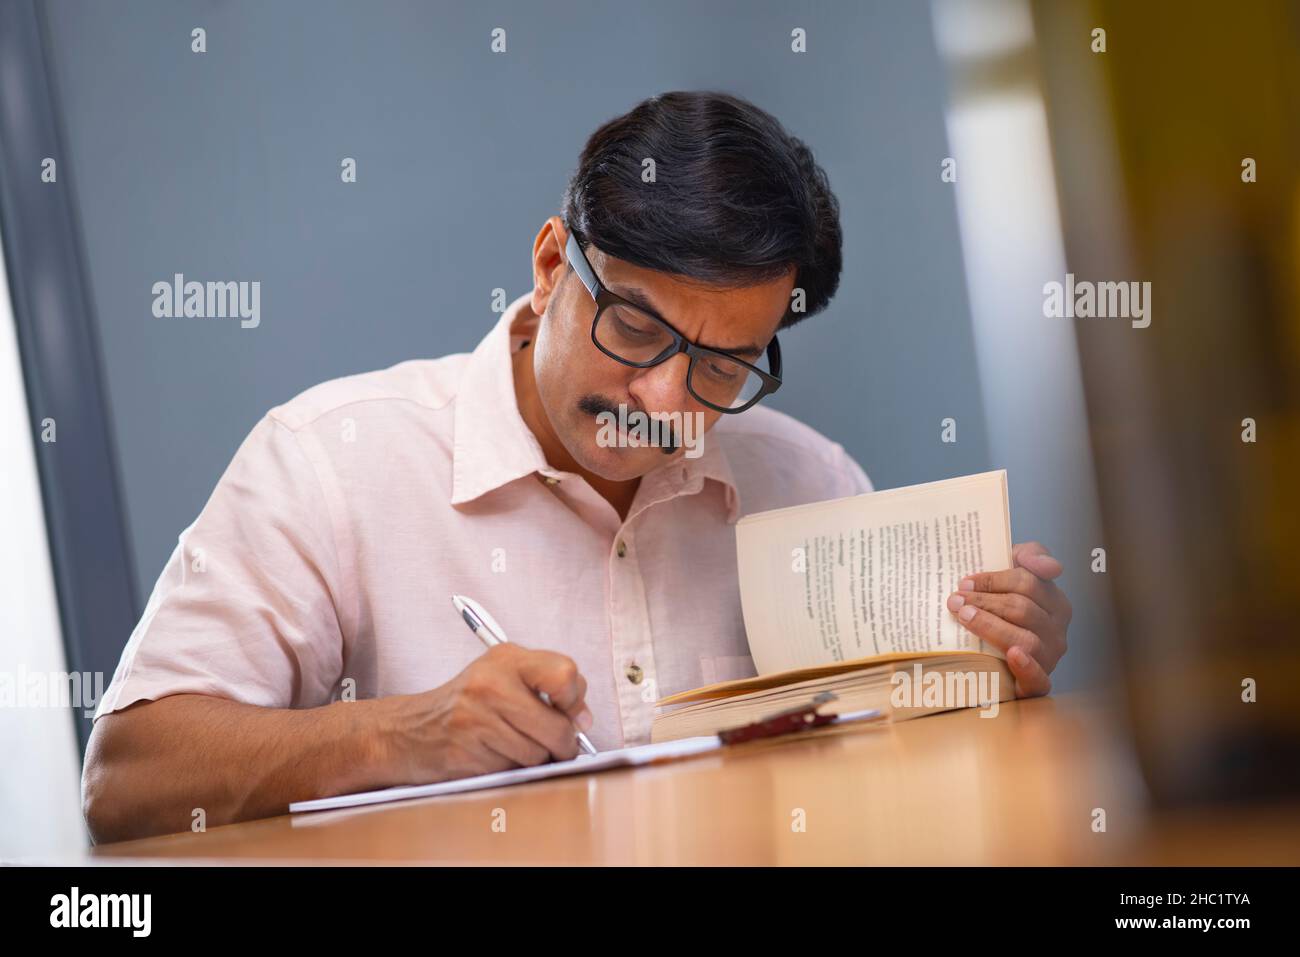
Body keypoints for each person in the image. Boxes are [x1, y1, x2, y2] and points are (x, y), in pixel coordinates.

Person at [82, 91, 1070, 842]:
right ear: (553, 264)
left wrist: (990, 677)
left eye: (725, 364)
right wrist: (399, 734)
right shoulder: (332, 461)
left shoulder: (804, 479)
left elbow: (898, 800)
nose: (669, 404)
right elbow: (126, 778)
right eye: (636, 327)